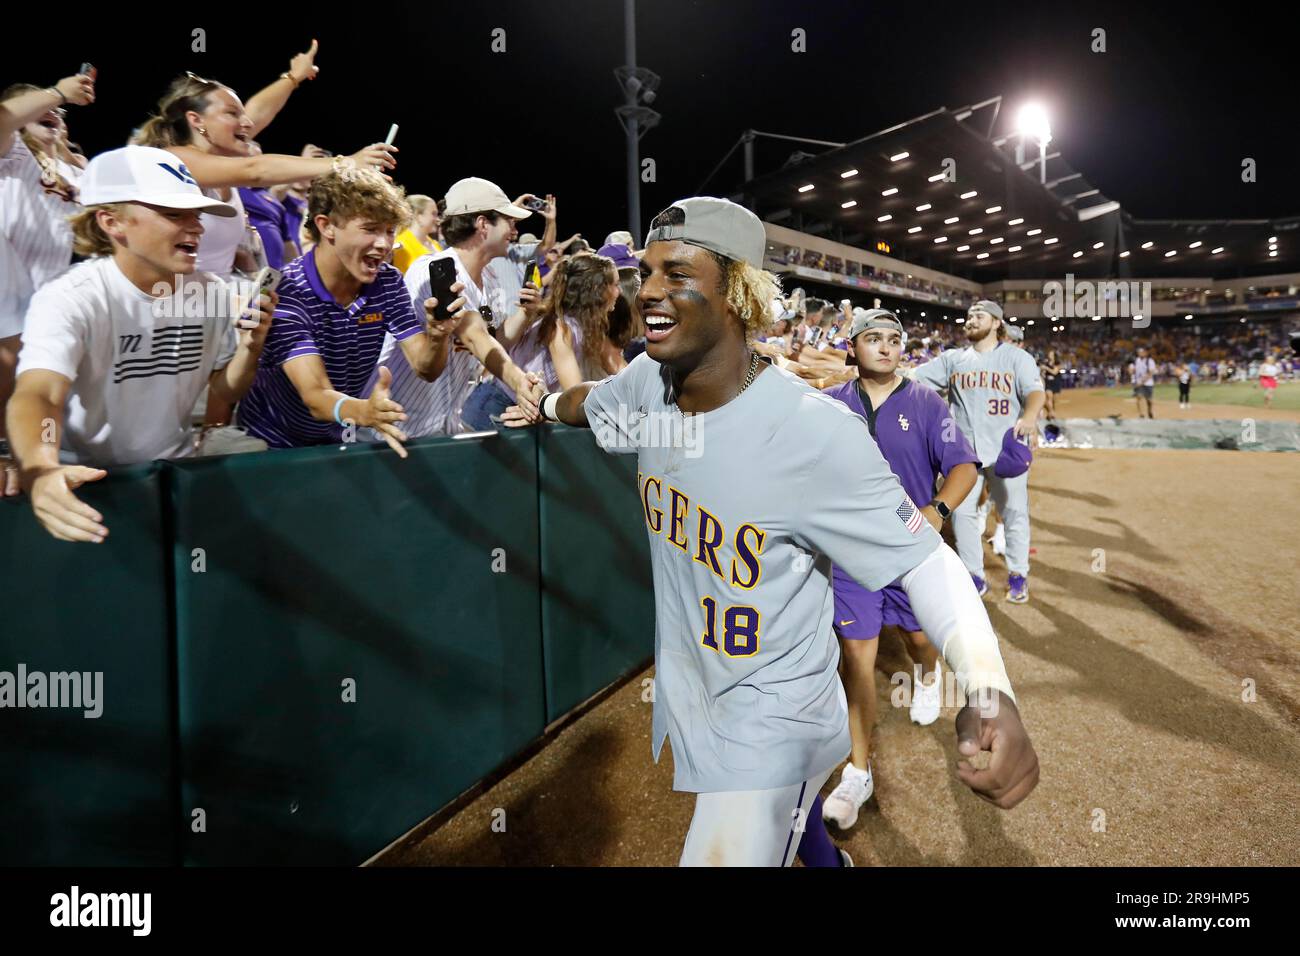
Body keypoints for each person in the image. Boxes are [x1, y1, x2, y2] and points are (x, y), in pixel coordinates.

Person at [503, 197, 1038, 866]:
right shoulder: (649, 381)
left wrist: (988, 691)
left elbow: (928, 564)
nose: (650, 292)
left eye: (679, 272)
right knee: (804, 837)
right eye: (646, 272)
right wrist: (545, 401)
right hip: (699, 682)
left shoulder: (812, 432)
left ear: (740, 294)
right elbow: (592, 403)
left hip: (775, 722)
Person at [4, 145, 275, 542]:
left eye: (196, 215)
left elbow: (222, 389)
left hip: (171, 479)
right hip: (89, 485)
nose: (196, 227)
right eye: (173, 214)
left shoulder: (210, 293)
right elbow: (40, 396)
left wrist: (251, 349)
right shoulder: (71, 297)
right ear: (112, 222)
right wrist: (41, 467)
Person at [817, 309, 980, 829]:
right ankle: (858, 771)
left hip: (909, 548)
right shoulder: (831, 404)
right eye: (873, 339)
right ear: (853, 347)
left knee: (916, 641)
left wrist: (938, 511)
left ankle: (929, 676)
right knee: (856, 658)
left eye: (894, 340)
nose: (886, 348)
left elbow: (963, 466)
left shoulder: (927, 402)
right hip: (852, 553)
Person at [236, 166, 526, 454]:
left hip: (339, 440)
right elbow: (315, 396)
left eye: (390, 231)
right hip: (274, 445)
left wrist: (437, 336)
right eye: (371, 229)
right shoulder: (290, 290)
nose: (384, 244)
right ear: (327, 227)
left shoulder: (386, 281)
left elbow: (426, 369)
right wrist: (366, 412)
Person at [370, 176, 545, 437]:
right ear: (483, 224)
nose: (514, 230)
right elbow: (475, 338)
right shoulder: (432, 272)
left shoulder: (487, 277)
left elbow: (493, 344)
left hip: (440, 429)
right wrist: (519, 381)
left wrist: (525, 313)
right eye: (508, 220)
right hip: (393, 431)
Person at [910, 300, 1045, 603]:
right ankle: (973, 574)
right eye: (969, 316)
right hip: (965, 452)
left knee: (1014, 513)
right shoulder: (953, 359)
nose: (971, 320)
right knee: (963, 516)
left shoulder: (1016, 357)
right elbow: (913, 377)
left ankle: (1018, 574)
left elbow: (1035, 392)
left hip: (1005, 451)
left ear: (996, 323)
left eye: (979, 316)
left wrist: (1030, 415)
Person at [1, 72, 96, 494]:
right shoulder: (11, 153)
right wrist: (58, 93)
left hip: (51, 291)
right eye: (41, 110)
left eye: (59, 113)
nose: (54, 113)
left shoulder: (75, 169)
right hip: (8, 284)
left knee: (44, 385)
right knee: (10, 378)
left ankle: (42, 461)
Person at [464, 252, 621, 430]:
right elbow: (575, 399)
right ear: (596, 290)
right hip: (495, 405)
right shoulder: (561, 328)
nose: (619, 291)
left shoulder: (579, 325)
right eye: (615, 284)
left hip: (515, 406)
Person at [392, 195, 442, 273]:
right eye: (433, 214)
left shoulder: (435, 244)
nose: (438, 219)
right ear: (418, 216)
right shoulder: (401, 247)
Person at [1131, 346, 1156, 418]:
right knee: (1138, 397)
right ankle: (1141, 414)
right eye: (1139, 352)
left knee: (1149, 400)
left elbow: (1150, 373)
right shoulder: (1136, 360)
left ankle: (1149, 411)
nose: (1140, 353)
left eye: (1142, 352)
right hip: (1139, 383)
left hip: (1148, 383)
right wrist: (1131, 371)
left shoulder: (1150, 361)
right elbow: (1133, 370)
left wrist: (1142, 381)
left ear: (1145, 353)